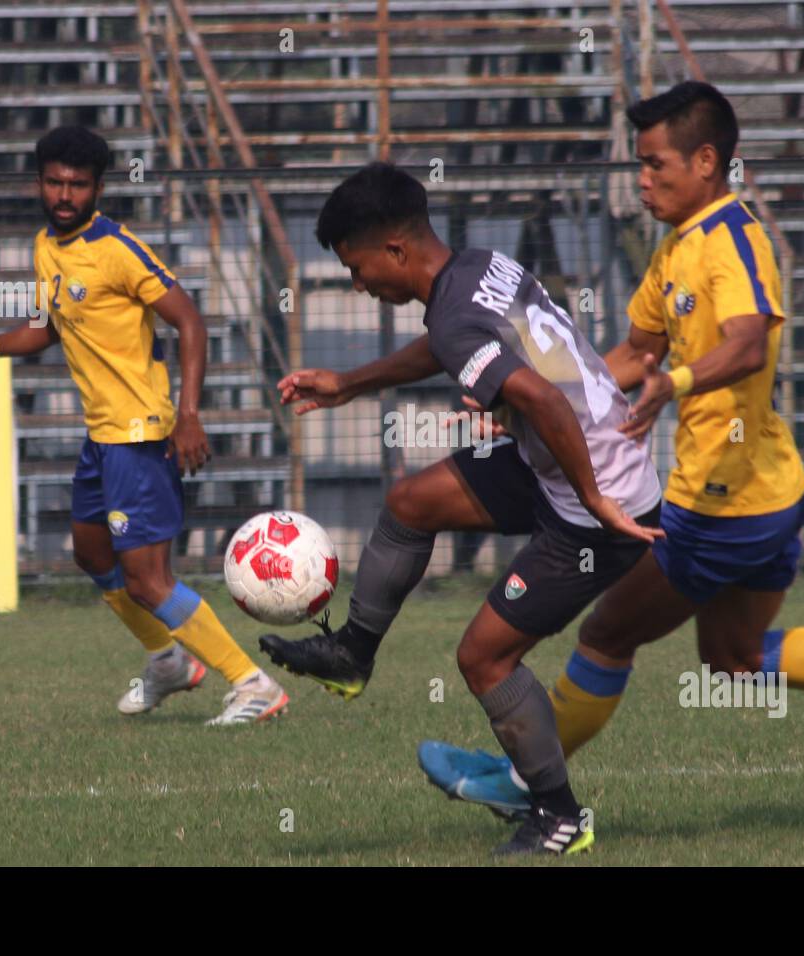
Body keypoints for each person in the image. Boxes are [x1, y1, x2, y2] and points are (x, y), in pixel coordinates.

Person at [418, 81, 804, 820]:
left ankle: (522, 785)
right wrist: (526, 401)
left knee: (606, 633)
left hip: (719, 503)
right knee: (734, 659)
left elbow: (747, 345)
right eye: (640, 167)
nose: (644, 182)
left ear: (707, 162)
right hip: (768, 495)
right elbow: (626, 358)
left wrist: (674, 382)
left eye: (657, 166)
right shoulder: (675, 251)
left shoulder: (735, 241)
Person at [258, 162, 663, 854]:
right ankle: (353, 653)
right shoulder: (478, 268)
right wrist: (350, 383)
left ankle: (560, 815)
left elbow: (542, 399)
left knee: (483, 659)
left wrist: (593, 496)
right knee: (413, 501)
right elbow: (452, 349)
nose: (359, 285)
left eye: (358, 269)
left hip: (596, 505)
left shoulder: (453, 315)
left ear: (394, 249)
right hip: (561, 468)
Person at [0, 126, 287, 726]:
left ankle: (253, 683)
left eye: (78, 184)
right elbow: (49, 326)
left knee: (148, 579)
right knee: (91, 552)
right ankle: (168, 661)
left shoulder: (118, 248)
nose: (65, 194)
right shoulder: (46, 244)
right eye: (54, 182)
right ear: (39, 183)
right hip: (100, 436)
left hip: (141, 435)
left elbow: (191, 321)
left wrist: (188, 415)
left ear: (99, 188)